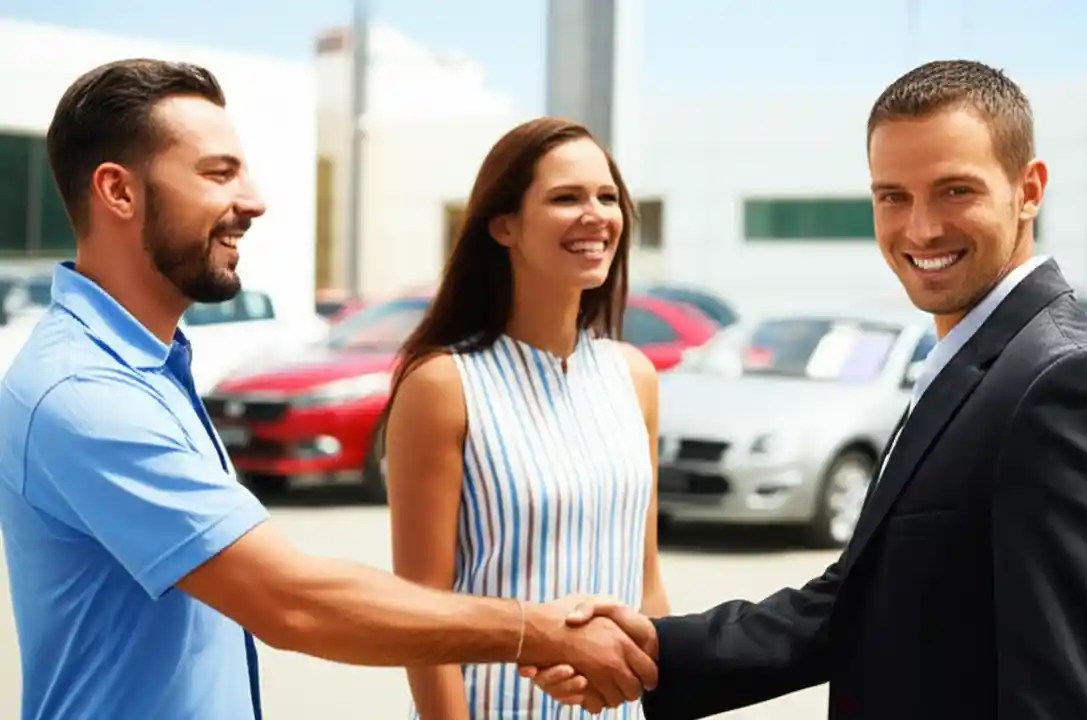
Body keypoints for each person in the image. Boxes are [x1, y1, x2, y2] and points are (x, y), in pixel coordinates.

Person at [522, 59, 1087, 719]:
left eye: (956, 190)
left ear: (1029, 189)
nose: (920, 228)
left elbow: (1075, 701)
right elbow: (859, 600)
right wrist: (657, 652)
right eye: (892, 195)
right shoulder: (977, 359)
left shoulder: (1066, 384)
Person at [0, 58, 656, 720]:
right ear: (118, 192)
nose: (253, 201)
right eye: (218, 173)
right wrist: (534, 632)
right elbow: (291, 601)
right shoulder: (85, 391)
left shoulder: (146, 366)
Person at [383, 116, 670, 719]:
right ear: (504, 225)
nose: (595, 215)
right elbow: (419, 612)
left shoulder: (634, 377)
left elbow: (645, 586)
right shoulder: (443, 384)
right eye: (566, 197)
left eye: (607, 196)